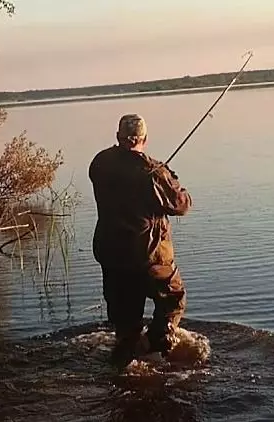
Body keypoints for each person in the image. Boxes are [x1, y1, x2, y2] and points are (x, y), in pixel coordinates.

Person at [88, 113, 193, 368]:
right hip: (149, 256)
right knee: (172, 299)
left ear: (117, 137)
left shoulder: (100, 163)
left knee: (125, 323)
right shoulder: (153, 172)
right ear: (145, 139)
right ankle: (157, 350)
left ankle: (124, 366)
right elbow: (181, 205)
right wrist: (169, 177)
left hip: (113, 255)